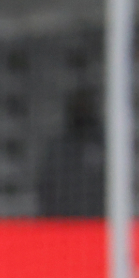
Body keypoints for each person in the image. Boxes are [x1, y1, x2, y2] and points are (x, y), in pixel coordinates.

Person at [37, 89, 105, 218]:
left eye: (86, 106)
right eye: (79, 106)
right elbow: (47, 187)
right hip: (65, 221)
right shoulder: (58, 147)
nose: (82, 109)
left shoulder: (107, 146)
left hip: (97, 222)